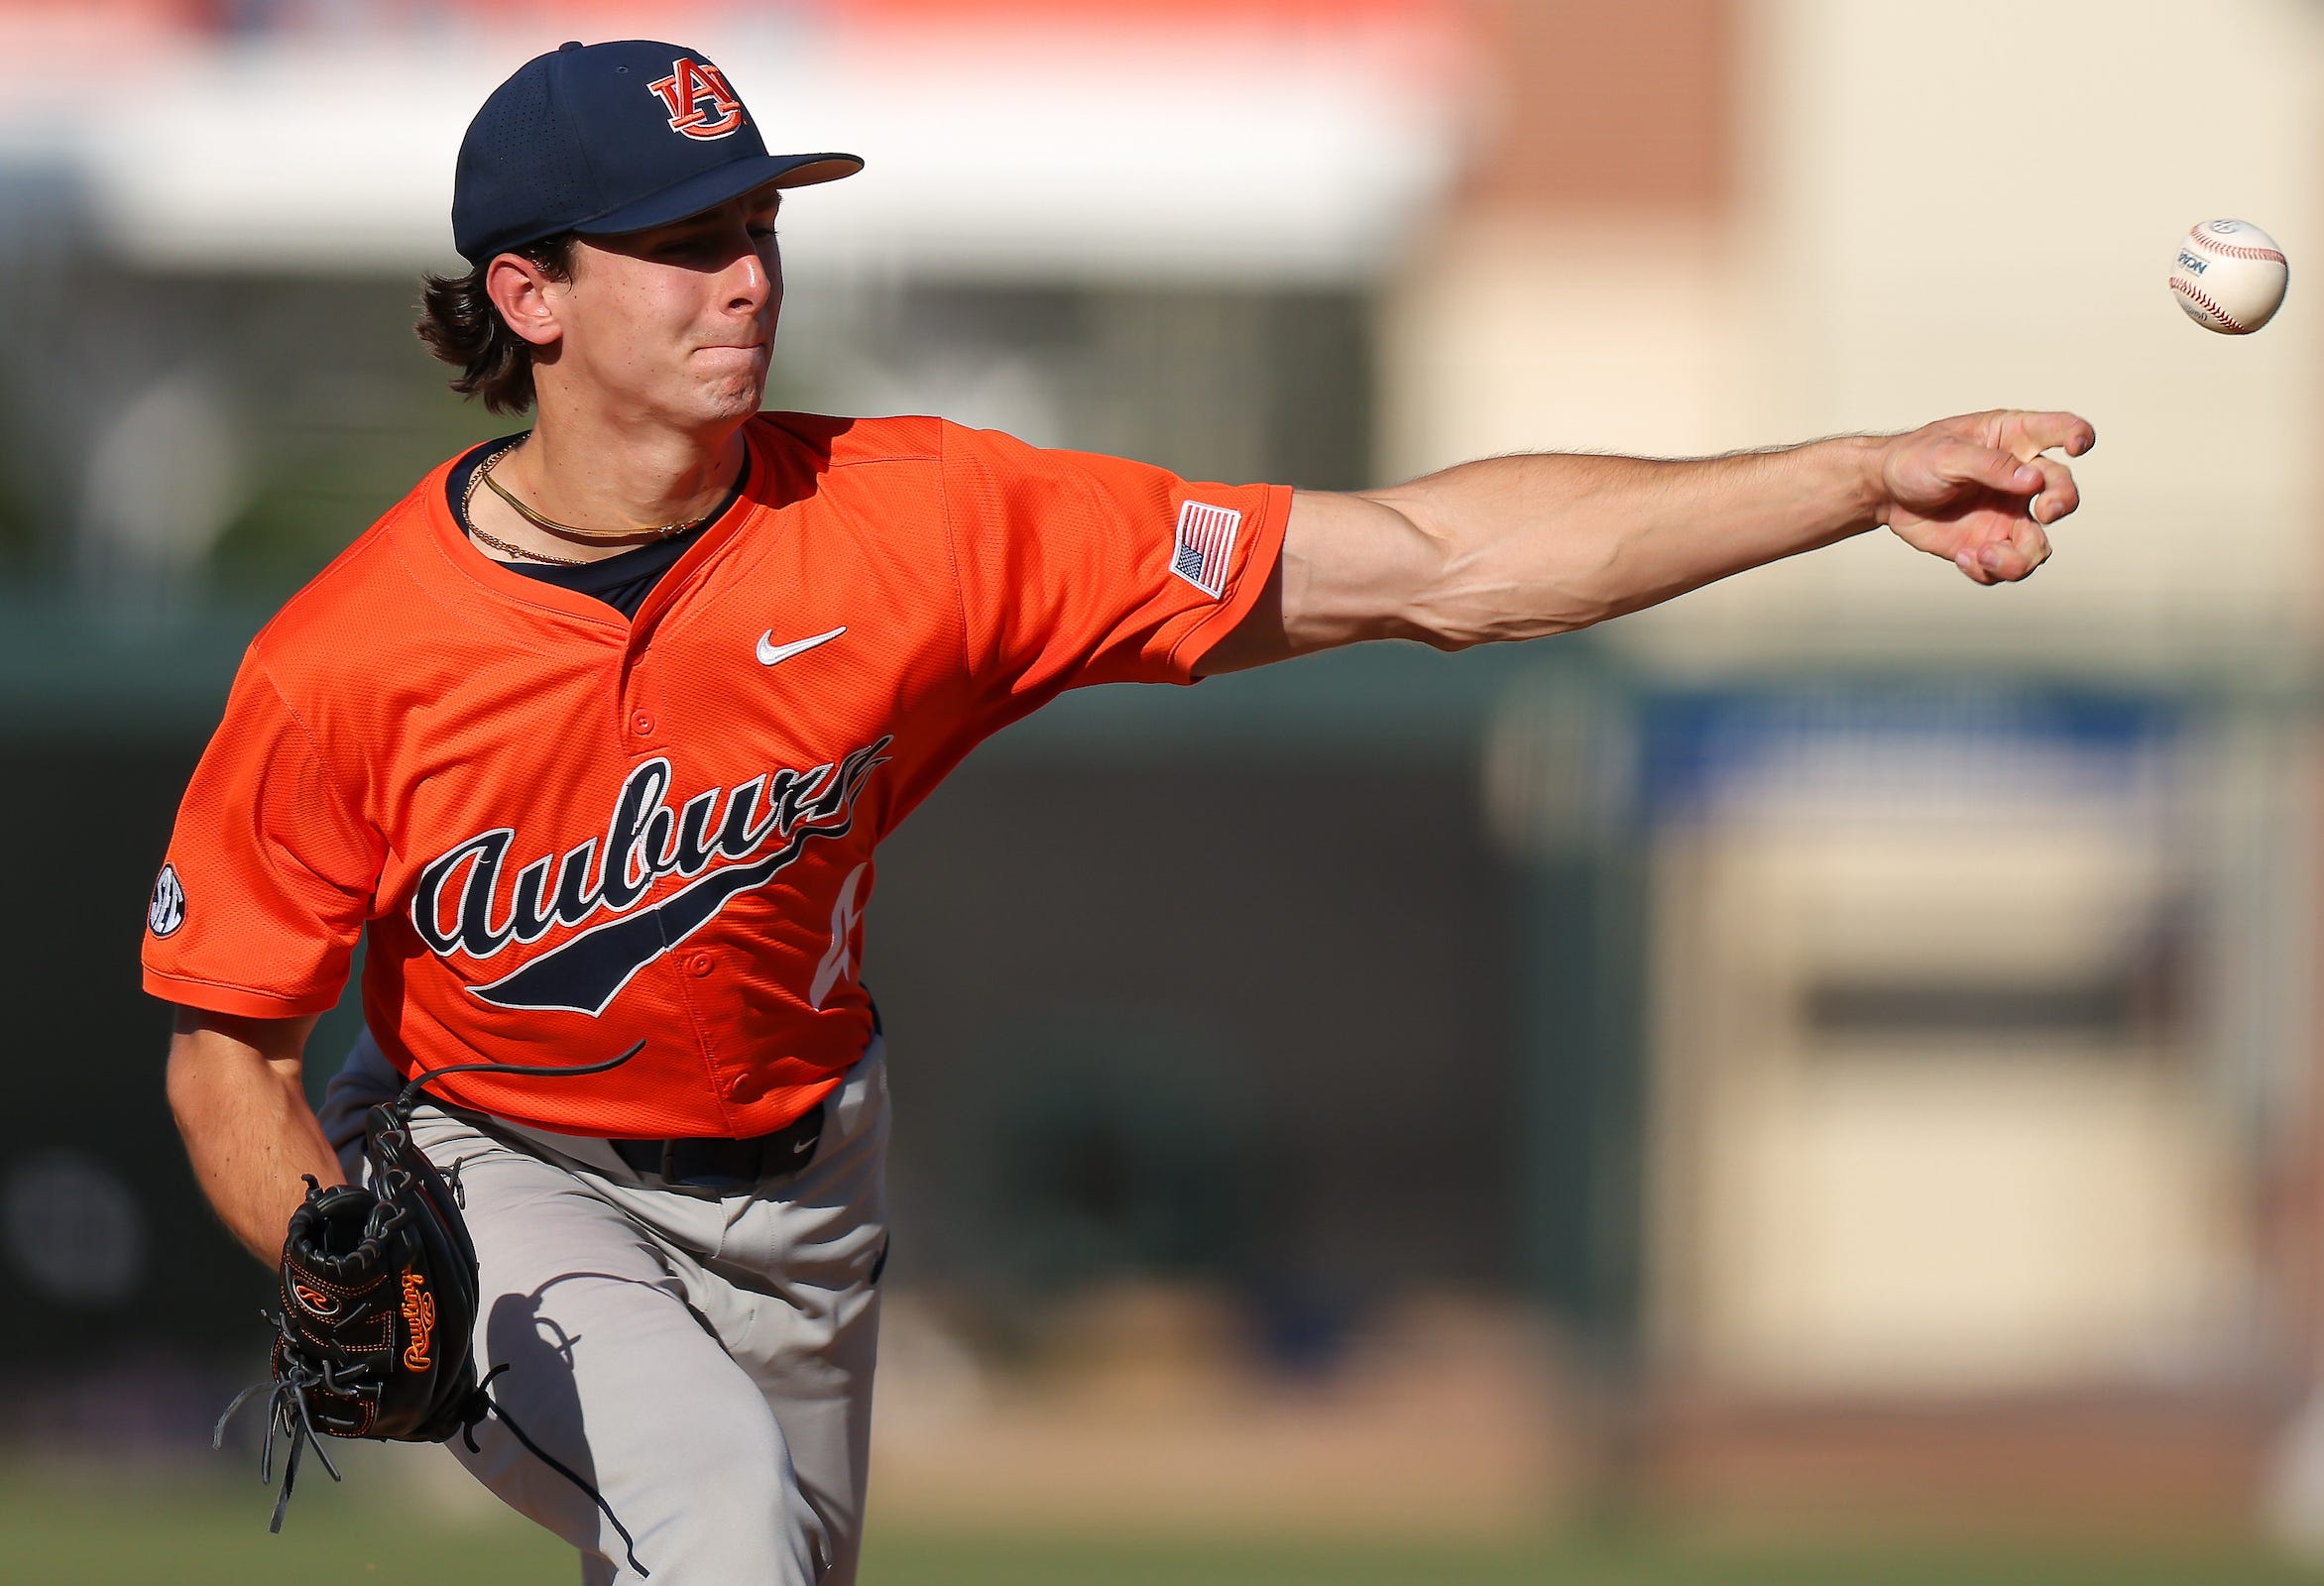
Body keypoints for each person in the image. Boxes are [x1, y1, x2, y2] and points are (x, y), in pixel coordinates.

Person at [147, 37, 2093, 1586]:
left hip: (809, 1179)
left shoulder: (923, 521)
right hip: (514, 1166)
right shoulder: (354, 654)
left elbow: (1432, 557)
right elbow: (224, 1039)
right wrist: (326, 1223)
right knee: (714, 1526)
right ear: (530, 295)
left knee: (743, 1546)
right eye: (679, 241)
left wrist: (1851, 474)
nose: (746, 270)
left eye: (755, 220)